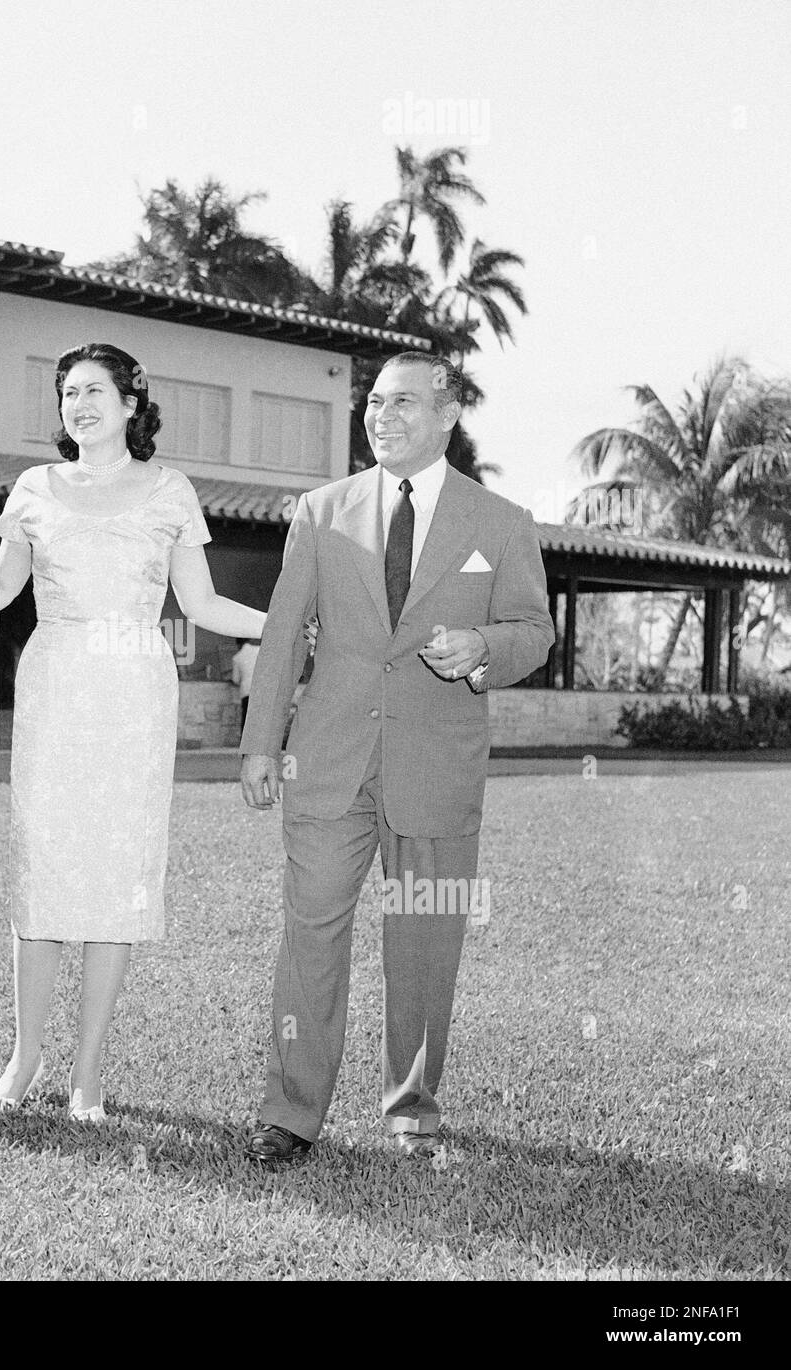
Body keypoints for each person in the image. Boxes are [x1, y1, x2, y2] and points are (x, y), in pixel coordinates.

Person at [0, 341, 263, 1122]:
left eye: (96, 390)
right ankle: (25, 1057)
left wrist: (284, 625)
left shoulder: (170, 490)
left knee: (117, 877)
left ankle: (88, 1073)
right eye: (69, 392)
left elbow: (200, 605)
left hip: (134, 688)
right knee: (44, 873)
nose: (80, 404)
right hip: (56, 683)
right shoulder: (34, 488)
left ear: (133, 404)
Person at [239, 351, 553, 1162]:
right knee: (311, 934)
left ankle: (411, 1106)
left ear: (449, 415)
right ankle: (290, 1112)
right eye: (375, 402)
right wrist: (260, 743)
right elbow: (282, 637)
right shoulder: (320, 510)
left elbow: (532, 632)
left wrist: (482, 644)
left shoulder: (502, 522)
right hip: (329, 760)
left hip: (437, 766)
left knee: (424, 939)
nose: (382, 416)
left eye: (404, 402)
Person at [230, 638, 259, 733]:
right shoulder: (259, 650)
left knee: (246, 716)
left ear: (238, 645)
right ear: (248, 641)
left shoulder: (237, 657)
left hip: (247, 691)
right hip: (262, 689)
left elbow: (235, 679)